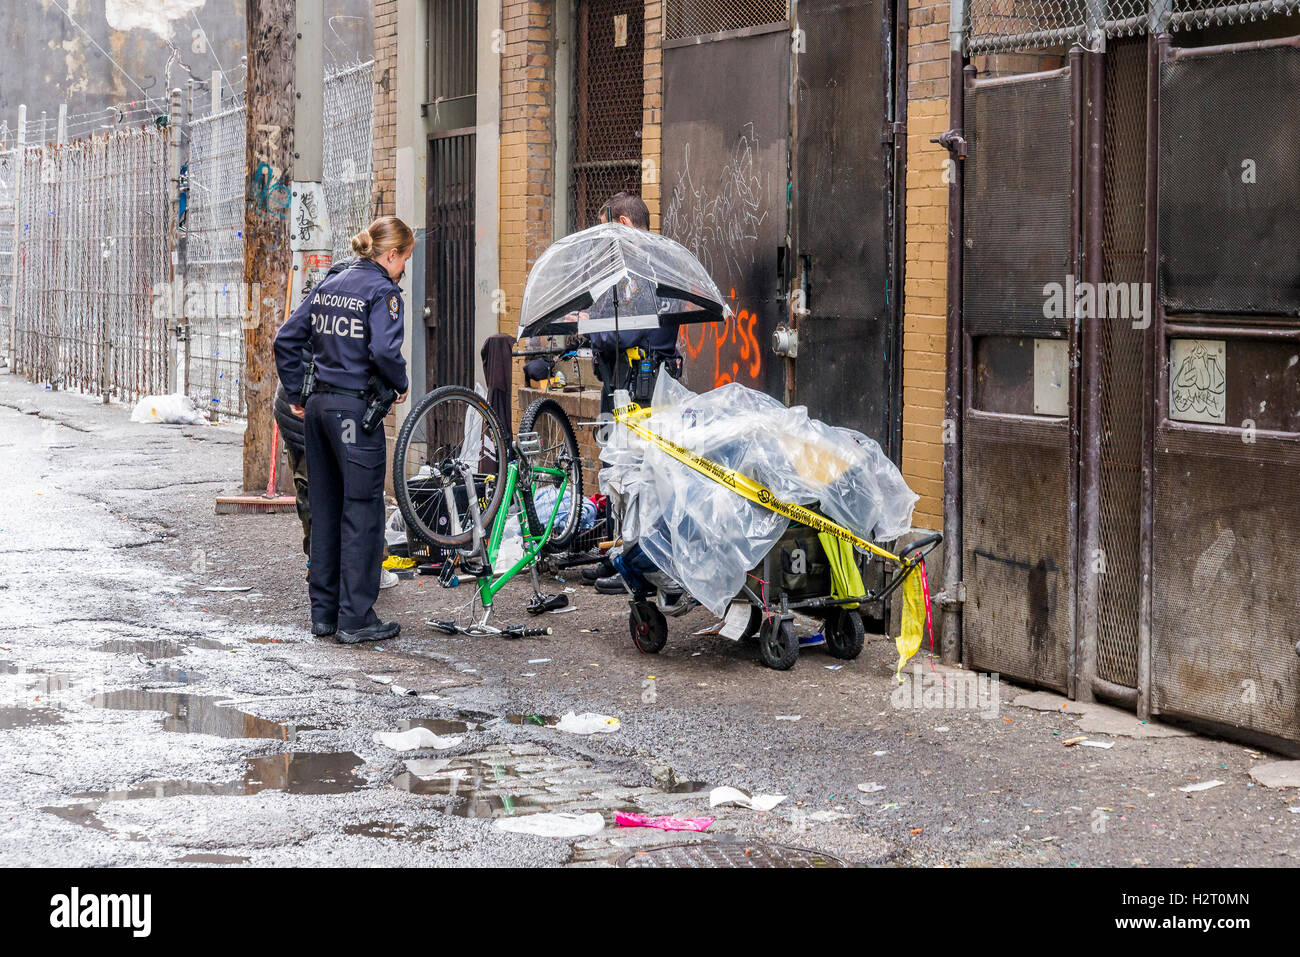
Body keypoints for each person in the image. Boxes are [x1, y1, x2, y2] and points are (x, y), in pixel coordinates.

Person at [274, 216, 413, 644]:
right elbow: (385, 351)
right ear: (390, 255)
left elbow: (286, 338)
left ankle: (324, 615)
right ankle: (356, 618)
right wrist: (401, 383)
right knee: (361, 511)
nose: (404, 268)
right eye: (404, 259)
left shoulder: (329, 283)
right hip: (354, 413)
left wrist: (297, 390)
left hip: (316, 410)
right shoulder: (382, 292)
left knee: (326, 507)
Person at [582, 192, 683, 593]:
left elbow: (633, 327)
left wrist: (589, 325)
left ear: (623, 224)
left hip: (641, 388)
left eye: (608, 228)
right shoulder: (630, 267)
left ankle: (635, 564)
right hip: (622, 382)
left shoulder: (645, 268)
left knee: (636, 477)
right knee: (618, 474)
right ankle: (617, 556)